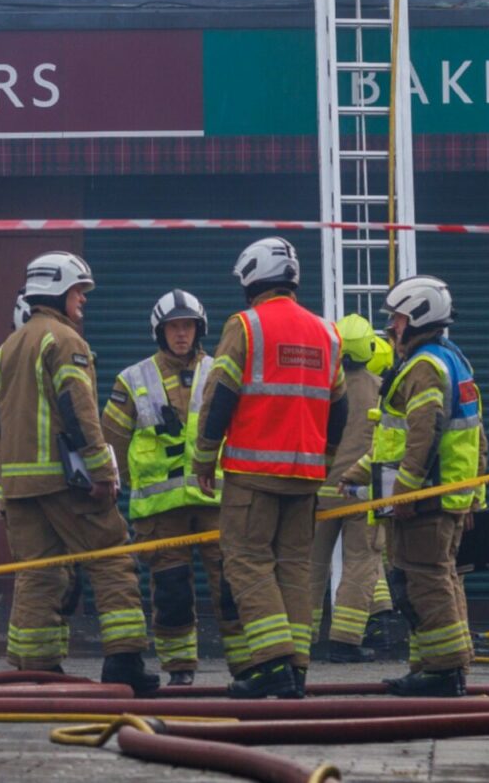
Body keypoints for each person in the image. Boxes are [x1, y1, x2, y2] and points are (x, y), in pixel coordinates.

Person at [0, 251, 159, 695]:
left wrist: (1, 493)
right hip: (68, 482)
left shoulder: (7, 348)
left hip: (20, 486)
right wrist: (104, 468)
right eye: (78, 291)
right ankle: (123, 662)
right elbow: (79, 410)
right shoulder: (64, 340)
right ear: (58, 289)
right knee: (112, 561)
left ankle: (36, 669)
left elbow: (0, 425)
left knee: (38, 573)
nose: (83, 300)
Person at [192, 237, 348, 699]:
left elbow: (219, 396)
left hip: (252, 474)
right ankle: (297, 670)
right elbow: (338, 409)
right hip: (305, 477)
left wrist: (204, 457)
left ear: (251, 279)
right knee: (295, 569)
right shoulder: (328, 332)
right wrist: (325, 459)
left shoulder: (246, 326)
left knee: (247, 563)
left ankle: (270, 664)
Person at [343, 274, 484, 696]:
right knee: (431, 581)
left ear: (418, 317)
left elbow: (424, 433)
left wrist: (404, 493)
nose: (391, 328)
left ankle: (444, 673)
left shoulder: (424, 366)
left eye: (398, 319)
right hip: (445, 496)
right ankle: (434, 668)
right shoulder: (453, 360)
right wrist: (359, 474)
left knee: (425, 581)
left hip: (425, 501)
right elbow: (404, 437)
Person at [100, 290, 247, 687]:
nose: (181, 334)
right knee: (172, 593)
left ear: (199, 330)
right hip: (161, 512)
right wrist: (134, 484)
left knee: (233, 589)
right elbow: (111, 440)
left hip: (218, 502)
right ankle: (179, 670)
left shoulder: (221, 371)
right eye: (173, 327)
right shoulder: (133, 379)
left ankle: (248, 669)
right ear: (159, 332)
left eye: (188, 326)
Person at [310, 314, 392, 663]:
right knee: (361, 562)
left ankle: (302, 639)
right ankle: (344, 640)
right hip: (360, 493)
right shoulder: (381, 390)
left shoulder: (321, 388)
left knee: (309, 565)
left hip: (318, 493)